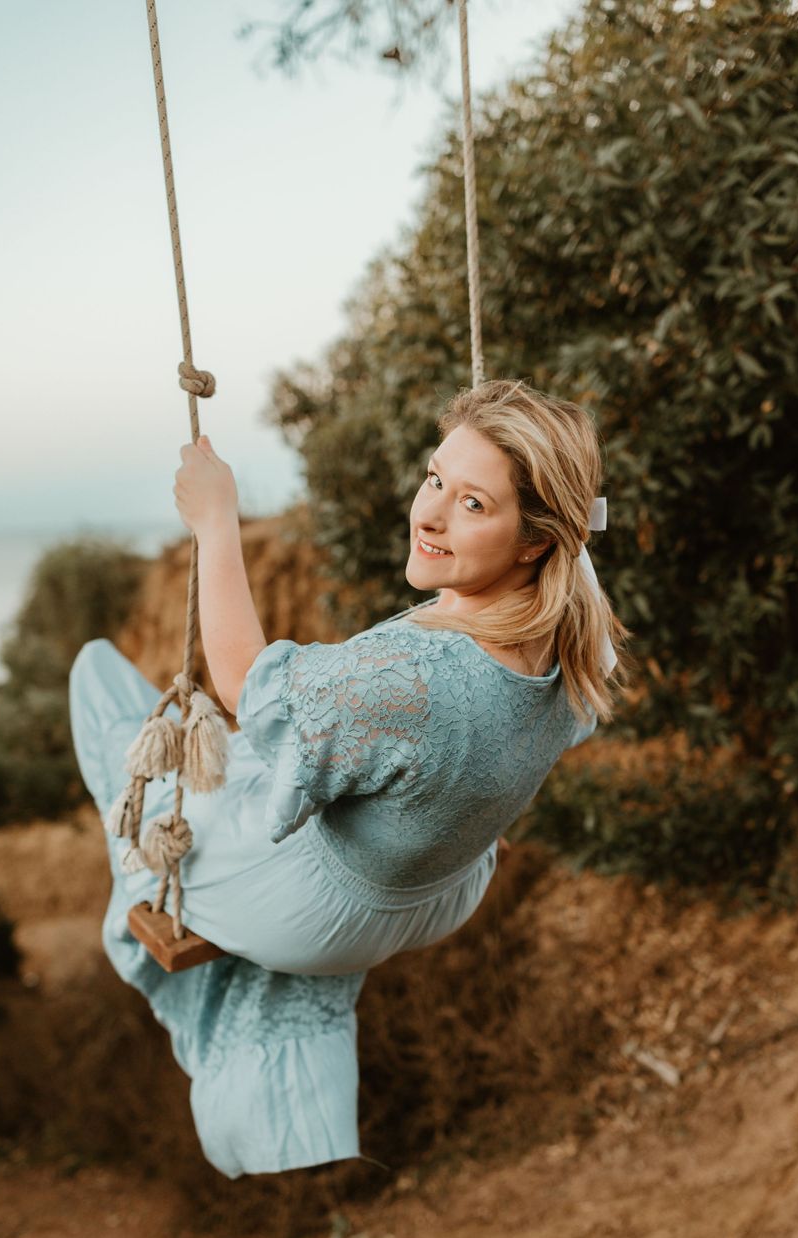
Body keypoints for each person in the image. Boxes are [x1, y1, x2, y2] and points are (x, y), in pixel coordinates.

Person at [68, 378, 630, 1179]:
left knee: (103, 692)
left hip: (314, 909)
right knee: (271, 759)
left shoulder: (415, 674)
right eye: (436, 478)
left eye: (473, 504)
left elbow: (245, 685)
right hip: (441, 890)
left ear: (537, 540)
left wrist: (216, 522)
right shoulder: (574, 628)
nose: (428, 513)